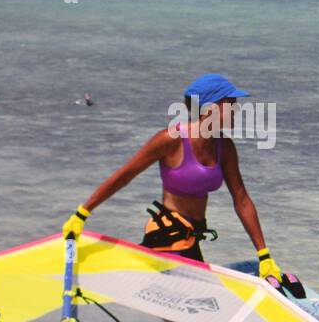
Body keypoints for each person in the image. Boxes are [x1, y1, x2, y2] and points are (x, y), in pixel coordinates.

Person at [63, 73, 291, 286]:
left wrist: (264, 255)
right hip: (166, 239)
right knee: (193, 319)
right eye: (230, 104)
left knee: (196, 320)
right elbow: (125, 176)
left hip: (191, 240)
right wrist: (82, 214)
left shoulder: (224, 147)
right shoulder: (171, 140)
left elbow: (241, 199)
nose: (236, 110)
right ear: (210, 109)